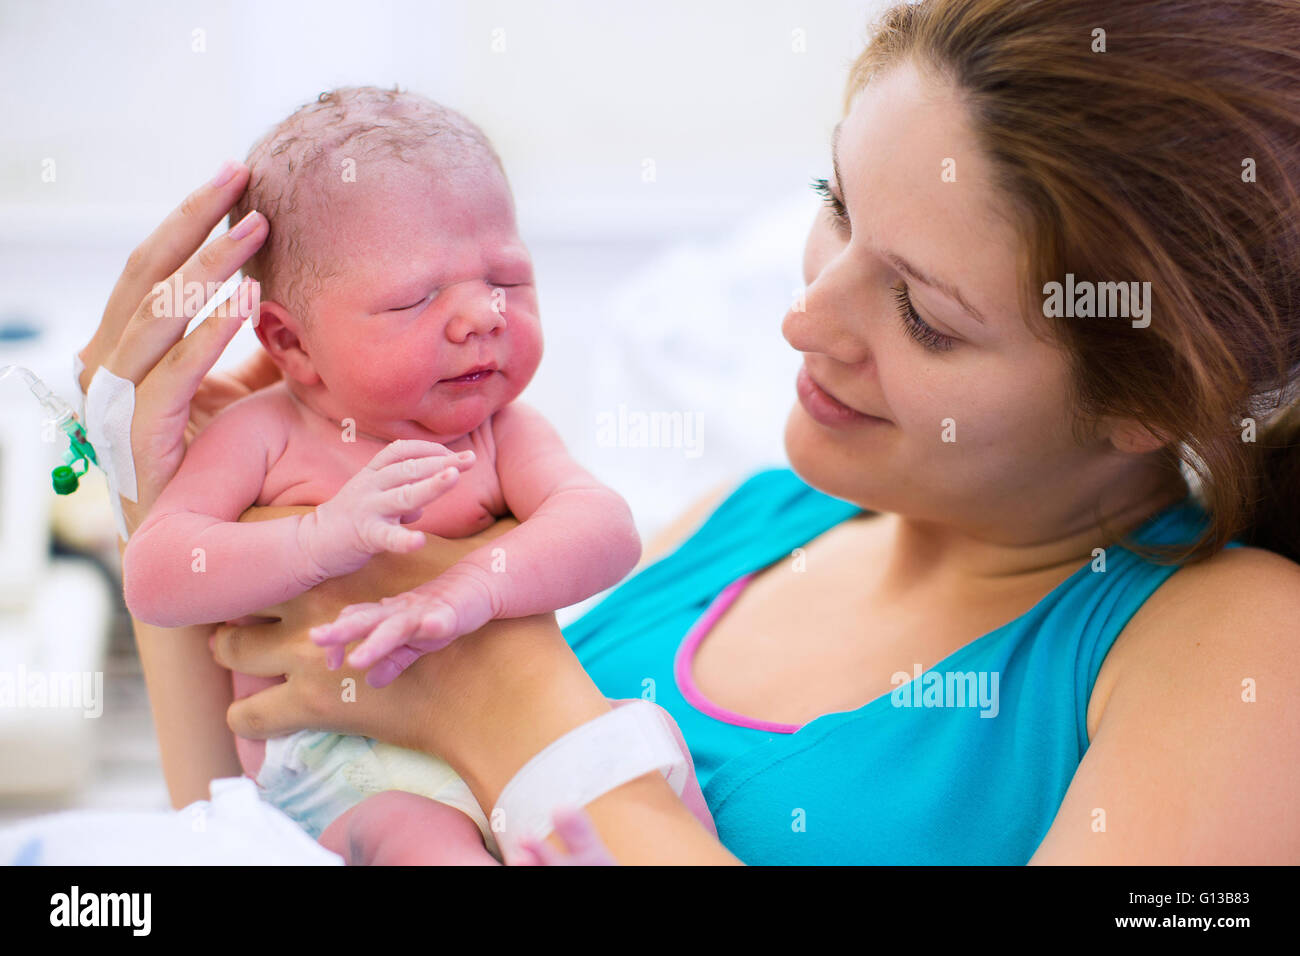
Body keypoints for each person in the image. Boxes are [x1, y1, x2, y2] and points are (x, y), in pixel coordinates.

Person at [79, 0, 1300, 864]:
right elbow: (246, 828)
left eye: (923, 314)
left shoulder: (1237, 650)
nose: (802, 314)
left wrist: (508, 703)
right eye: (834, 203)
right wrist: (172, 485)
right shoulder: (748, 522)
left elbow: (494, 707)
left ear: (1148, 394)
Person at [118, 87, 658, 864]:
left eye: (506, 279)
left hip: (502, 753)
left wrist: (472, 586)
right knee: (415, 829)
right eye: (420, 295)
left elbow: (606, 529)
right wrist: (316, 540)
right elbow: (156, 573)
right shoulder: (263, 433)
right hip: (342, 778)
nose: (485, 315)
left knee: (645, 743)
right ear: (291, 343)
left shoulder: (500, 435)